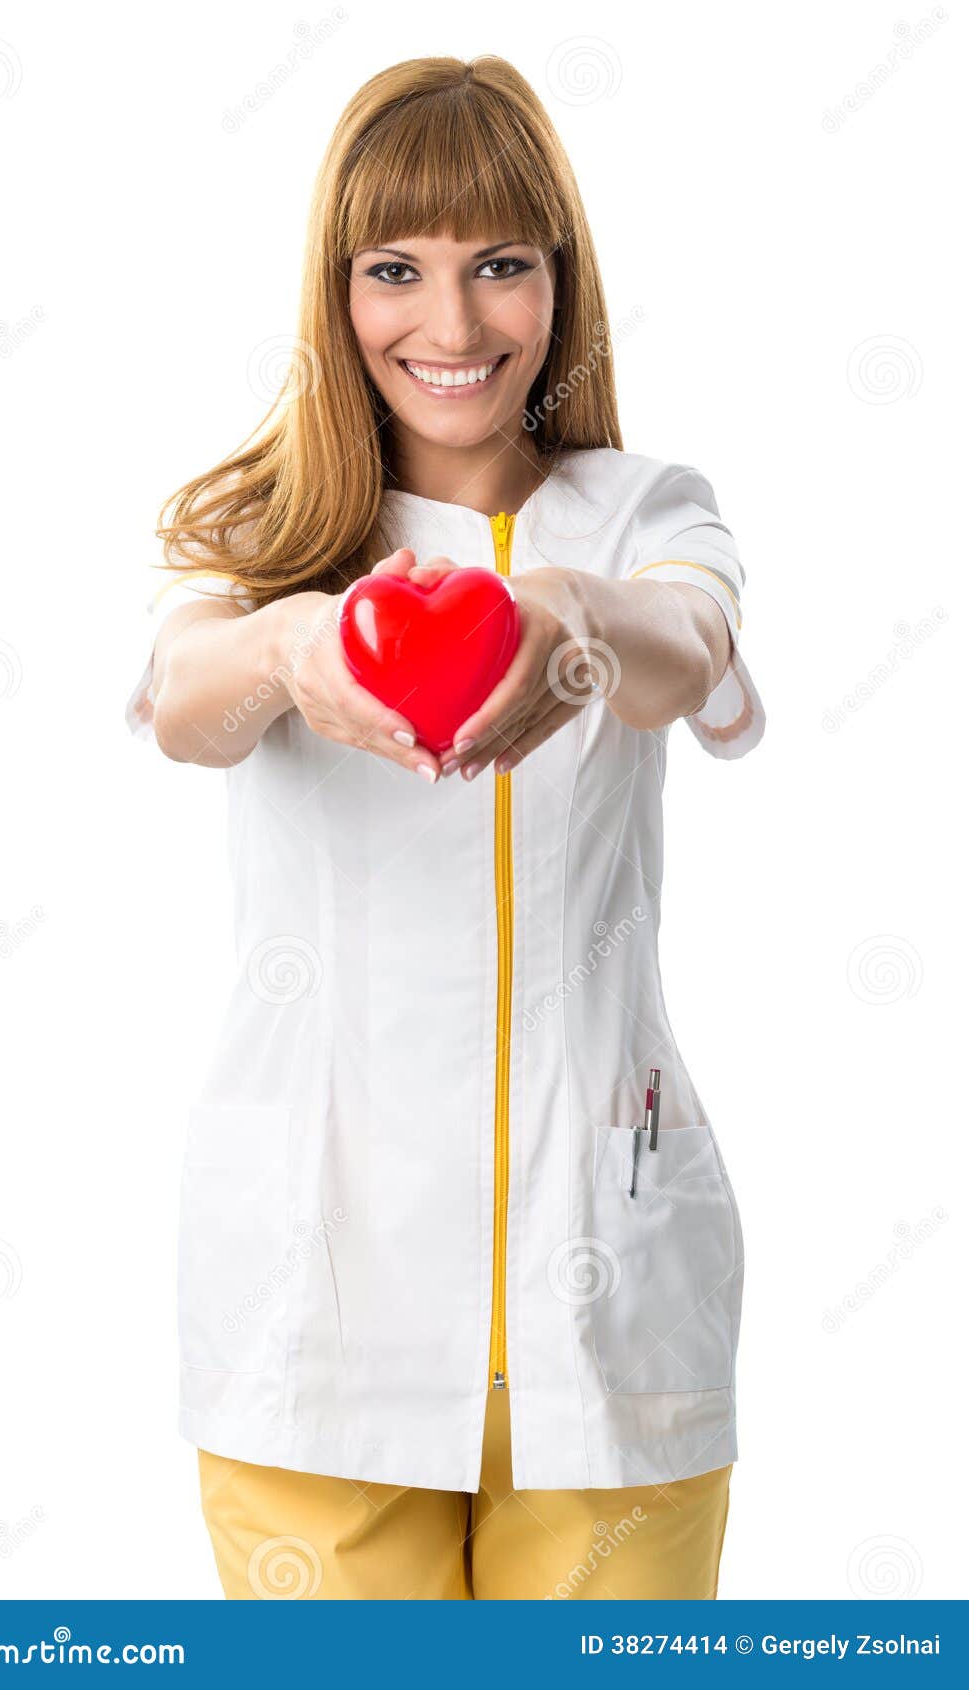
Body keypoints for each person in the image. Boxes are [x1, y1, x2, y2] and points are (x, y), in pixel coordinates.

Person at [126, 54, 765, 1601]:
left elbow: (695, 652)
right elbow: (183, 698)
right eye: (395, 270)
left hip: (608, 1305)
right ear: (336, 289)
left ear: (562, 281)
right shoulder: (255, 532)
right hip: (316, 1316)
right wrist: (295, 644)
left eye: (501, 265)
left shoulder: (646, 512)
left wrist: (572, 618)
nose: (455, 325)